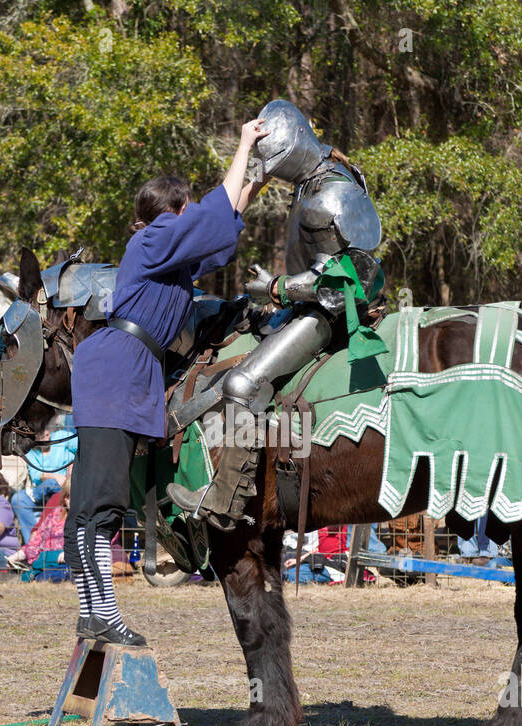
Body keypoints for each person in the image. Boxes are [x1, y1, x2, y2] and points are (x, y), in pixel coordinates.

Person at [68, 120, 263, 646]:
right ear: (172, 213)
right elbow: (211, 219)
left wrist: (255, 182)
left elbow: (220, 235)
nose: (191, 217)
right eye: (187, 209)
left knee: (99, 502)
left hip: (127, 370)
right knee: (98, 502)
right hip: (115, 370)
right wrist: (244, 145)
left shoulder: (166, 261)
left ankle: (96, 614)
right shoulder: (152, 238)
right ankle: (98, 614)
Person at [168, 100, 380, 531]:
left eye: (275, 167)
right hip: (310, 305)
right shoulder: (312, 184)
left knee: (243, 383)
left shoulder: (331, 195)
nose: (273, 176)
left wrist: (276, 287)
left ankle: (226, 499)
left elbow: (346, 281)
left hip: (330, 314)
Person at [13, 416, 77, 538]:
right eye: (41, 432)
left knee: (54, 485)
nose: (46, 433)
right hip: (42, 490)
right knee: (18, 499)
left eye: (47, 429)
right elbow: (36, 475)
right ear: (34, 436)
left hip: (64, 487)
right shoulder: (31, 451)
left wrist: (74, 465)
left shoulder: (61, 437)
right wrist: (55, 476)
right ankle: (33, 541)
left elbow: (82, 446)